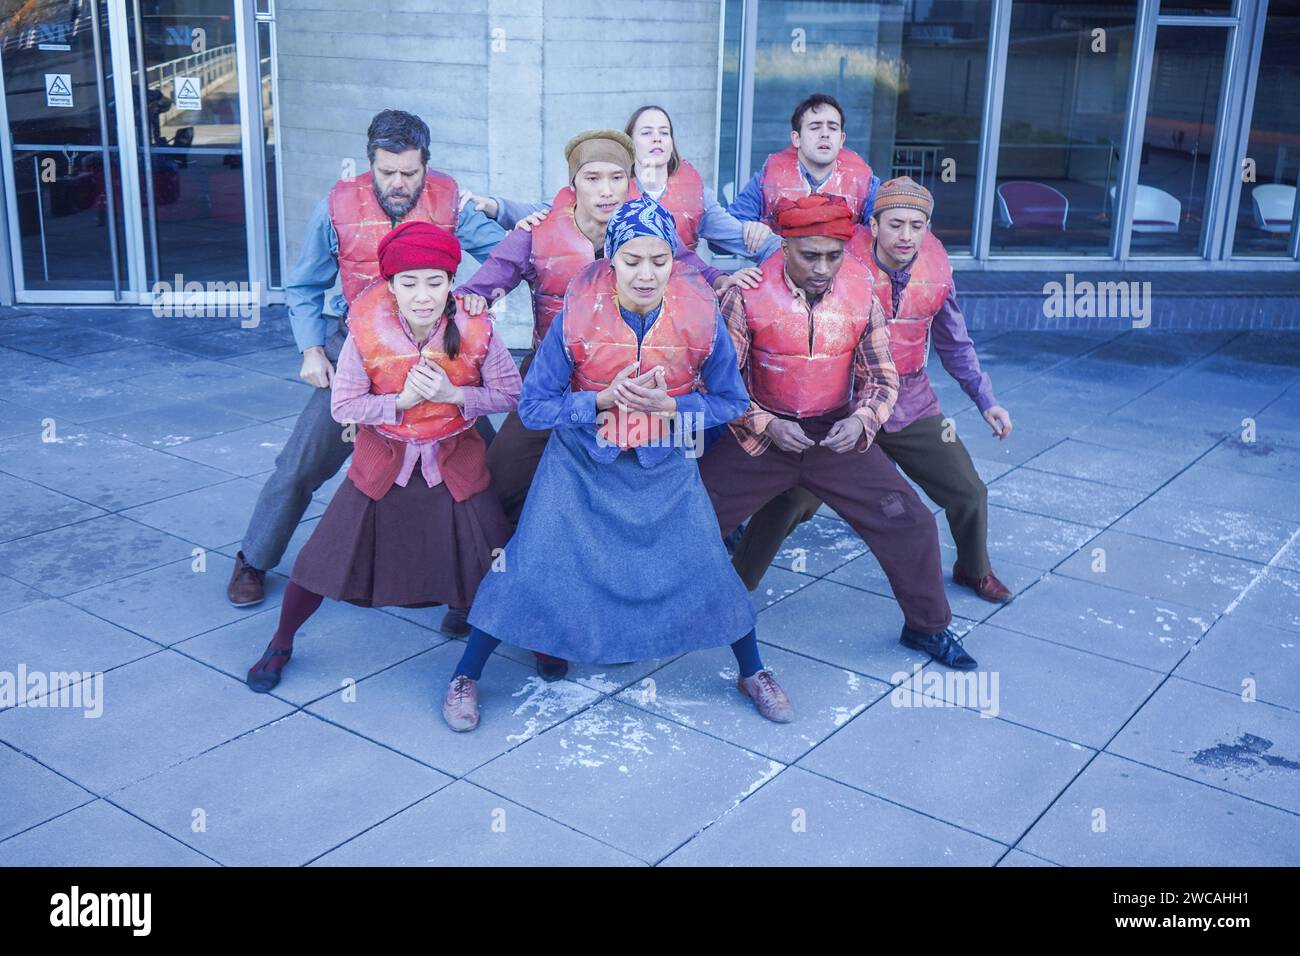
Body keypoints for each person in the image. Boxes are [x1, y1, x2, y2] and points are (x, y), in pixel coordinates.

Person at [440, 197, 794, 732]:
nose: (646, 273)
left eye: (659, 259)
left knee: (705, 564)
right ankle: (466, 674)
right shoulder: (575, 313)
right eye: (632, 260)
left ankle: (753, 670)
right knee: (530, 562)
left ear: (674, 257)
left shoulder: (700, 313)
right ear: (610, 258)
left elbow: (732, 402)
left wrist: (674, 407)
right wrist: (598, 401)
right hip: (580, 460)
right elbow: (534, 407)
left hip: (664, 463)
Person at [227, 110, 508, 643]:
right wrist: (311, 349)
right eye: (386, 172)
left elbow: (503, 256)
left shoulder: (451, 200)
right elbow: (306, 283)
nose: (398, 183)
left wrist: (474, 302)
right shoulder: (337, 204)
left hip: (438, 348)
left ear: (426, 163)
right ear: (371, 163)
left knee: (485, 465)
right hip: (356, 346)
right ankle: (254, 558)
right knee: (302, 462)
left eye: (409, 172)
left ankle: (474, 587)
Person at [698, 193, 977, 672]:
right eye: (810, 255)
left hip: (833, 433)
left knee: (911, 522)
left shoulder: (860, 292)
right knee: (690, 521)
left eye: (834, 254)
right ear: (783, 247)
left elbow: (882, 377)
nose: (824, 267)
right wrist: (767, 424)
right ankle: (658, 616)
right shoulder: (744, 294)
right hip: (759, 435)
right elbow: (720, 385)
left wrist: (863, 419)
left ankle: (926, 626)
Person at [244, 221, 520, 694]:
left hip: (455, 456)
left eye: (435, 281)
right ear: (389, 285)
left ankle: (512, 650)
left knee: (492, 560)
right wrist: (399, 404)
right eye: (408, 282)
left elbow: (511, 394)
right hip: (384, 458)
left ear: (451, 282)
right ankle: (281, 641)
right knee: (322, 559)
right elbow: (344, 406)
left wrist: (456, 393)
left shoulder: (478, 328)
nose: (423, 295)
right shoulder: (364, 330)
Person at [732, 178, 1015, 603]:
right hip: (838, 405)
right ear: (874, 224)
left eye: (916, 225)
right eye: (895, 223)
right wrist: (727, 278)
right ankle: (734, 585)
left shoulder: (937, 270)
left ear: (928, 228)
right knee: (791, 500)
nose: (906, 235)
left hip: (909, 400)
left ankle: (974, 569)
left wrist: (986, 399)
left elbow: (955, 343)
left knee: (969, 489)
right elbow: (777, 273)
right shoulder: (837, 260)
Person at [465, 104, 781, 262]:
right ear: (629, 143)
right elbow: (547, 210)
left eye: (664, 132)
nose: (657, 137)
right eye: (647, 132)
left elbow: (744, 240)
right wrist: (493, 207)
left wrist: (778, 241)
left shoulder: (699, 195)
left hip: (678, 298)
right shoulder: (609, 187)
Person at [727, 93, 880, 255]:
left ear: (842, 139)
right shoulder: (766, 179)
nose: (825, 134)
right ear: (796, 138)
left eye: (833, 128)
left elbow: (882, 238)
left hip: (847, 274)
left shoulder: (866, 182)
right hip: (779, 272)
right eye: (815, 127)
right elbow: (723, 235)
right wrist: (750, 229)